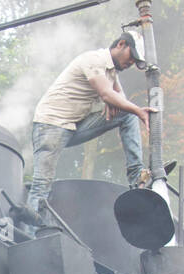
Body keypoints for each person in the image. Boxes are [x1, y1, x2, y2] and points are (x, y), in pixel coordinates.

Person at [28, 33, 154, 211]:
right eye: (131, 56)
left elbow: (120, 99)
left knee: (127, 114)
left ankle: (137, 178)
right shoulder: (94, 60)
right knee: (42, 185)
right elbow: (106, 93)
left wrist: (117, 102)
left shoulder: (111, 72)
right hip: (50, 126)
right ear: (121, 44)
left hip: (73, 126)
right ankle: (29, 232)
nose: (131, 62)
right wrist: (135, 109)